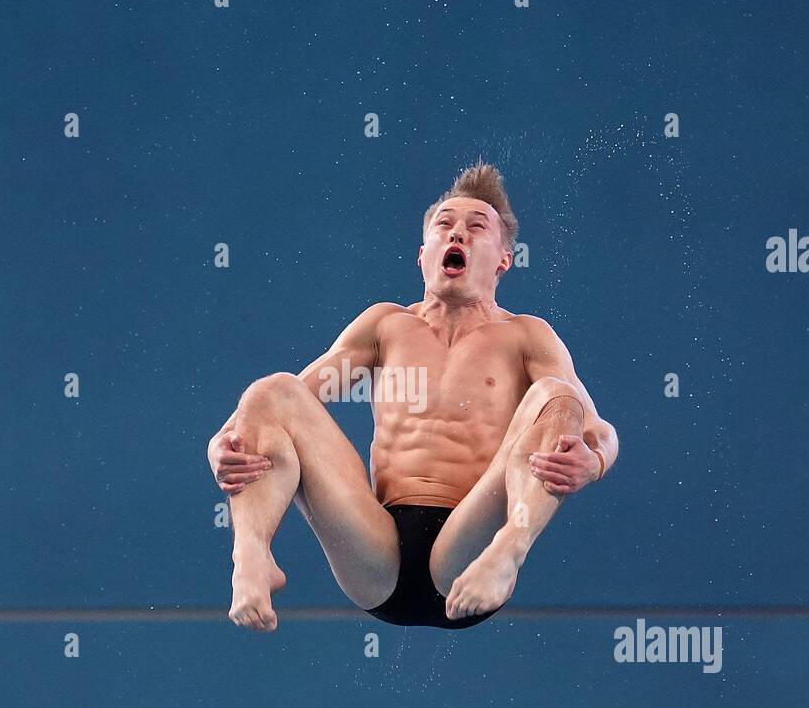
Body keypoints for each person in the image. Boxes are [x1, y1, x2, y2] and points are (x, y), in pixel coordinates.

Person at [207, 162, 618, 631]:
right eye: (444, 225)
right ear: (423, 255)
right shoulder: (386, 325)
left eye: (475, 227)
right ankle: (250, 554)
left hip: (470, 550)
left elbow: (596, 430)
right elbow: (271, 410)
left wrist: (595, 460)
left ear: (505, 258)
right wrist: (219, 445)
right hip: (377, 554)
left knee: (557, 394)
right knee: (274, 390)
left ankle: (512, 549)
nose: (456, 234)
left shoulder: (527, 336)